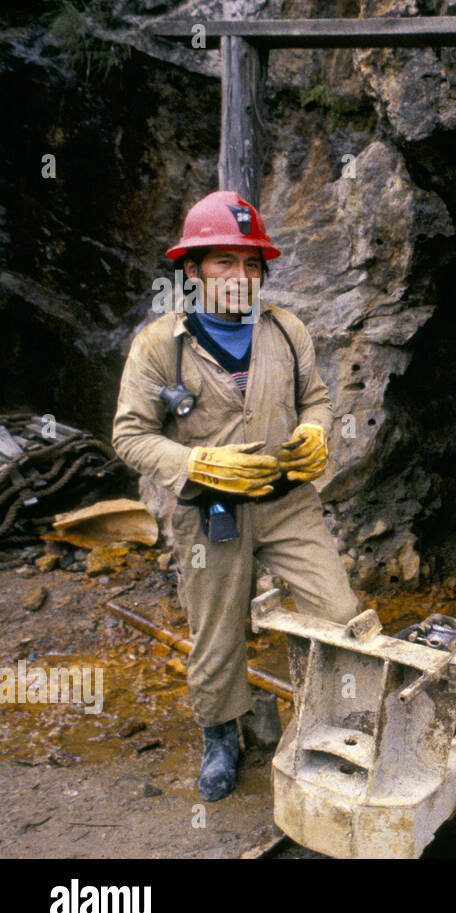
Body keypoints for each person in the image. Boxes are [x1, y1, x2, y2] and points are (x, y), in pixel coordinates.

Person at [112, 191, 359, 802]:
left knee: (341, 614)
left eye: (251, 264)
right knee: (216, 633)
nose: (240, 277)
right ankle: (222, 735)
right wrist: (194, 461)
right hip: (209, 516)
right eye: (223, 262)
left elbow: (318, 399)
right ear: (192, 270)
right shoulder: (159, 345)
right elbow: (130, 435)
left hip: (287, 501)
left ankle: (340, 720)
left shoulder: (286, 330)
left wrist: (316, 432)